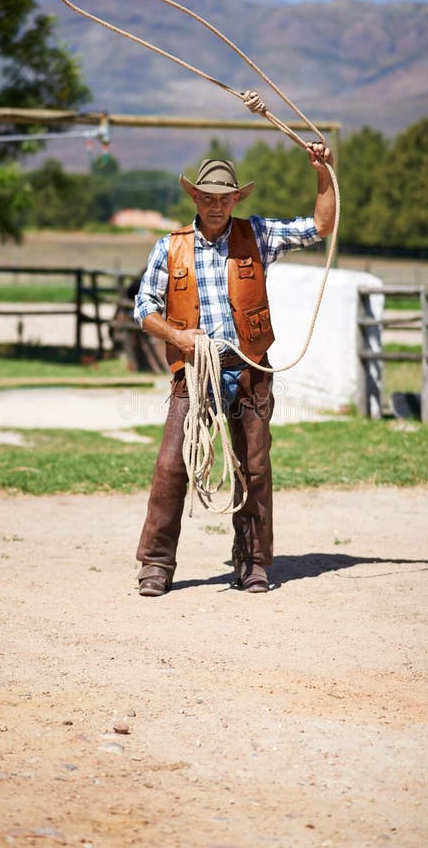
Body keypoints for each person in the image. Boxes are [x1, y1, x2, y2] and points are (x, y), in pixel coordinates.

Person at [133, 143, 336, 596]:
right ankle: (156, 564)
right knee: (171, 465)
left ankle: (253, 563)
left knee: (255, 467)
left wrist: (323, 173)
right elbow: (144, 308)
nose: (216, 202)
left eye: (224, 196)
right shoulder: (170, 247)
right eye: (208, 195)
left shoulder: (258, 235)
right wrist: (179, 338)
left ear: (236, 200)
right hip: (194, 370)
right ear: (195, 198)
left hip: (249, 369)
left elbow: (321, 226)